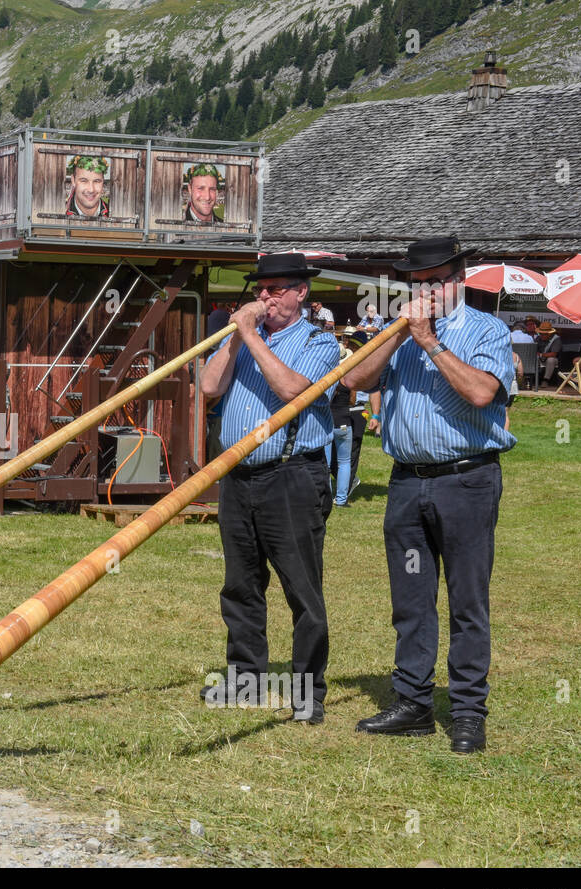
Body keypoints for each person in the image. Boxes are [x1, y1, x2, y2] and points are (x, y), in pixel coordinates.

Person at [344, 236, 515, 754]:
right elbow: (355, 378)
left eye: (435, 281)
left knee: (467, 600)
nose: (425, 290)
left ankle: (467, 711)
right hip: (408, 480)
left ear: (457, 279)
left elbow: (483, 393)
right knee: (412, 599)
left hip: (466, 480)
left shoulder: (487, 330)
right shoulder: (398, 332)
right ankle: (413, 702)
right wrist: (398, 337)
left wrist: (431, 343)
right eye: (416, 283)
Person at [198, 253, 339, 725]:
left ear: (302, 292)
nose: (265, 297)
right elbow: (208, 386)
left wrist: (252, 336)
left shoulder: (320, 342)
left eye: (276, 289)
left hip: (292, 474)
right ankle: (244, 679)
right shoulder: (242, 340)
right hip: (239, 476)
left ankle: (307, 691)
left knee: (301, 588)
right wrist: (237, 340)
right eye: (261, 289)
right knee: (240, 586)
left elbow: (292, 390)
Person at [327, 379, 354, 508]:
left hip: (327, 423)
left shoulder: (327, 378)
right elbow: (352, 400)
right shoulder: (349, 378)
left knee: (325, 464)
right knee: (344, 462)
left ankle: (325, 497)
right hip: (344, 422)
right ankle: (341, 499)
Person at [537, 321, 562, 386]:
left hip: (553, 360)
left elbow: (553, 354)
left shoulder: (556, 339)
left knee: (550, 360)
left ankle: (546, 380)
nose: (542, 335)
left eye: (544, 334)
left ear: (549, 334)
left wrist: (540, 354)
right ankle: (530, 379)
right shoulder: (538, 338)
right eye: (541, 333)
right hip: (540, 359)